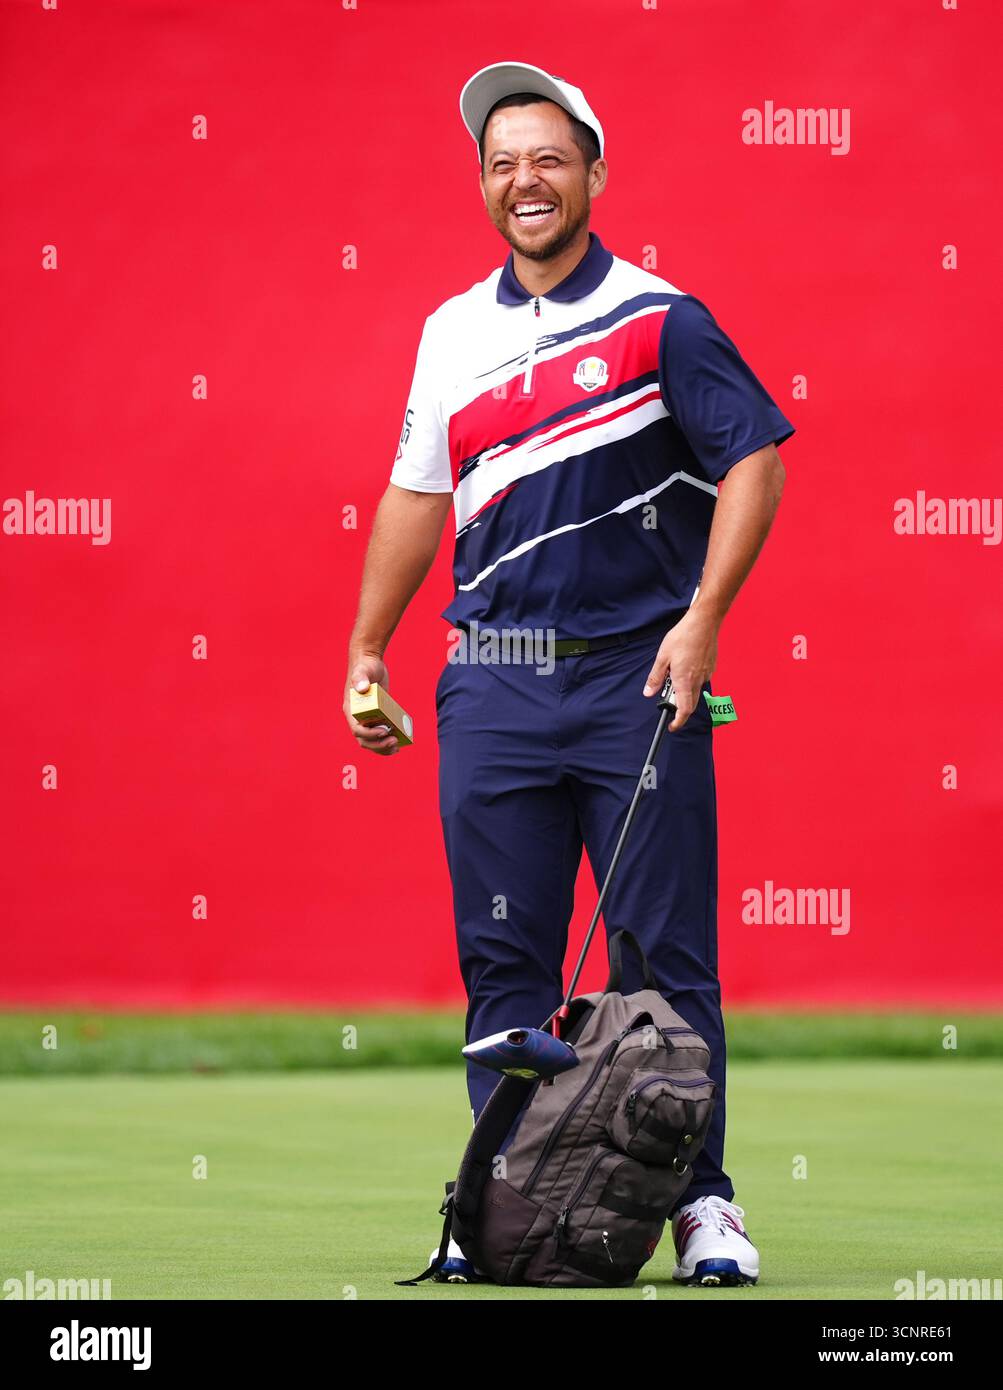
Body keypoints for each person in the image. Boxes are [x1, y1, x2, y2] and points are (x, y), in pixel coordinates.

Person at [344, 61, 795, 1288]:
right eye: (501, 164)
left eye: (547, 158)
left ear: (593, 172)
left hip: (634, 685)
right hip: (489, 682)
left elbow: (754, 456)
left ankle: (703, 1203)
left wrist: (702, 619)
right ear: (483, 187)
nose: (523, 181)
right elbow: (416, 494)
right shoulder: (451, 331)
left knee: (659, 958)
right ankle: (491, 1211)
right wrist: (367, 647)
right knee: (505, 965)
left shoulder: (662, 316)